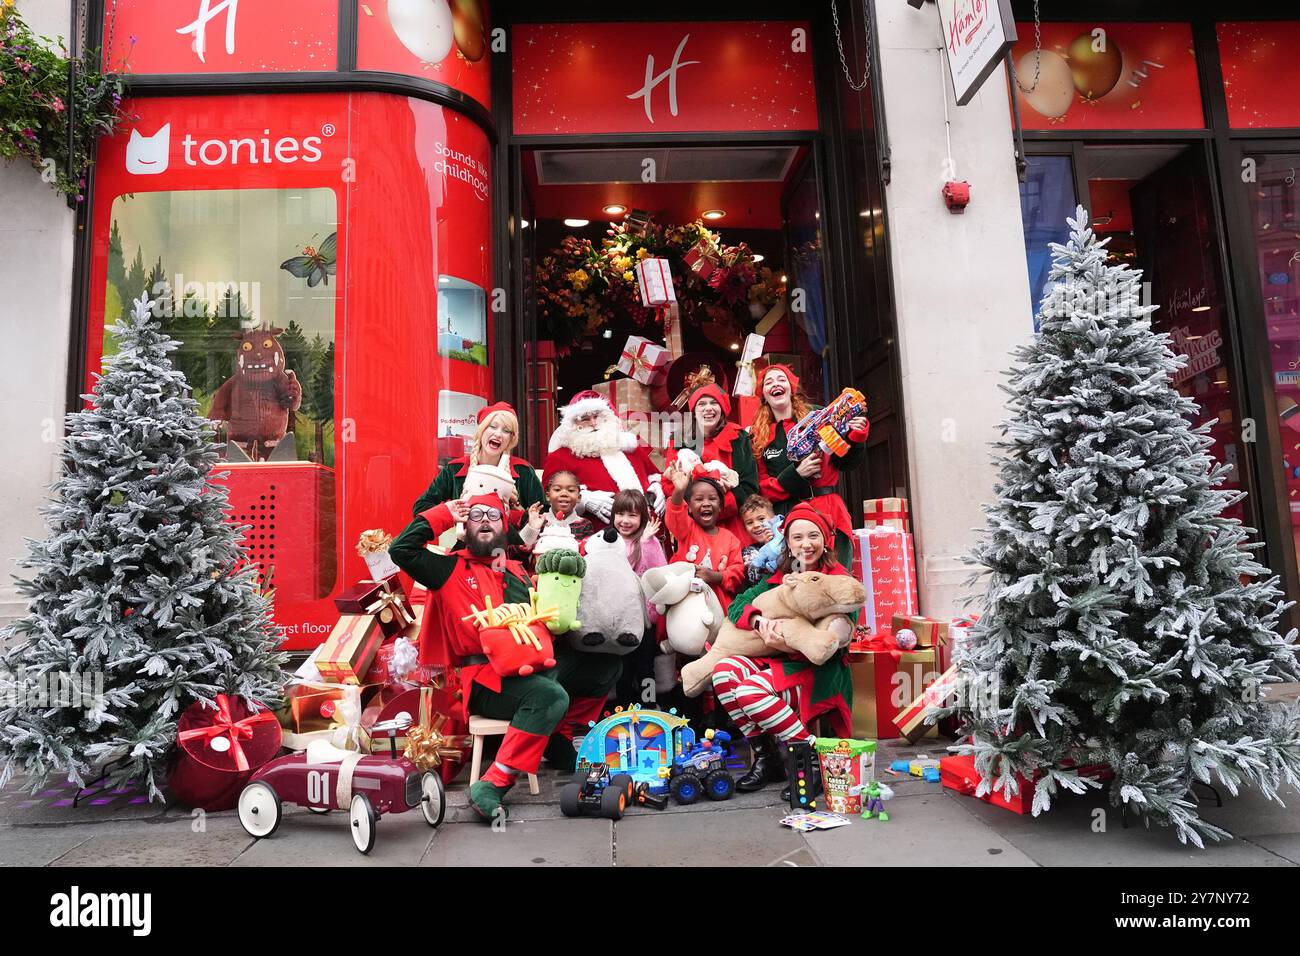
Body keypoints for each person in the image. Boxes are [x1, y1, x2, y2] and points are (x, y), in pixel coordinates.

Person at [389, 492, 568, 823]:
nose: (485, 520)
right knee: (550, 697)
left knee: (587, 670)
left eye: (493, 515)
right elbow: (400, 550)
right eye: (476, 515)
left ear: (504, 527)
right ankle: (493, 783)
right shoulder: (446, 568)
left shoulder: (517, 571)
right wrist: (442, 513)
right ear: (464, 526)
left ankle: (561, 749)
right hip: (485, 682)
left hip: (527, 672)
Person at [710, 502, 857, 794]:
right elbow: (740, 603)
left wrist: (792, 640)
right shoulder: (780, 575)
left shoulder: (839, 579)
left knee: (749, 692)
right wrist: (757, 619)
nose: (806, 544)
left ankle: (811, 761)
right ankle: (769, 758)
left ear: (825, 540)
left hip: (818, 669)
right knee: (723, 673)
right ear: (787, 543)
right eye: (797, 537)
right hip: (778, 661)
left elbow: (839, 635)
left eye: (813, 536)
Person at [749, 365, 869, 567]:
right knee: (798, 587)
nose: (775, 384)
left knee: (837, 581)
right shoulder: (758, 437)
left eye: (781, 379)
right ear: (763, 395)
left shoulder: (820, 417)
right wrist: (796, 474)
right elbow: (761, 489)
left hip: (830, 511)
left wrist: (857, 438)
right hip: (789, 517)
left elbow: (845, 463)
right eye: (768, 382)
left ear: (791, 387)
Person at [541, 390, 665, 530]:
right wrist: (583, 500)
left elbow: (655, 475)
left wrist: (658, 487)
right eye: (585, 419)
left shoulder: (630, 448)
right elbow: (549, 497)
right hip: (597, 538)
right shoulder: (560, 457)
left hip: (648, 533)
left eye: (598, 416)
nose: (593, 423)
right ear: (573, 424)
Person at [663, 381, 760, 544]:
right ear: (694, 411)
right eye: (702, 404)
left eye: (714, 402)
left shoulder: (738, 438)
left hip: (733, 528)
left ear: (722, 408)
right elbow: (670, 485)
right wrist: (700, 508)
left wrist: (717, 507)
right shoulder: (679, 440)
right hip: (693, 528)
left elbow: (749, 486)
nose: (708, 408)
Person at [412, 402, 544, 518]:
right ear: (481, 430)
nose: (498, 434)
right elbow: (421, 507)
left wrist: (517, 509)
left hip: (511, 545)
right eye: (492, 426)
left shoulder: (523, 471)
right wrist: (451, 513)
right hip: (467, 545)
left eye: (506, 430)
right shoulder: (454, 470)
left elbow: (545, 514)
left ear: (511, 438)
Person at [610, 488, 667, 705]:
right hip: (618, 621)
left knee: (646, 670)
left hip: (645, 622)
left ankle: (649, 707)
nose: (625, 521)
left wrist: (645, 543)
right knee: (622, 670)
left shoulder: (648, 541)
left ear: (642, 518)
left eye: (632, 515)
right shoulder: (608, 540)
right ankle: (624, 710)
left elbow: (659, 574)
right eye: (620, 514)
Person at [663, 462, 745, 609]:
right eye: (699, 499)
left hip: (718, 605)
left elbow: (737, 573)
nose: (706, 503)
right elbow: (674, 514)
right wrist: (679, 491)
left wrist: (715, 576)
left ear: (720, 506)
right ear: (688, 507)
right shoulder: (685, 529)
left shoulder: (730, 539)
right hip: (684, 602)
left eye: (712, 499)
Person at [739, 494, 778, 584]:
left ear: (774, 519)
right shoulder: (749, 552)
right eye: (750, 523)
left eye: (761, 519)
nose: (756, 525)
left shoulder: (785, 539)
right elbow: (753, 577)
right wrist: (767, 548)